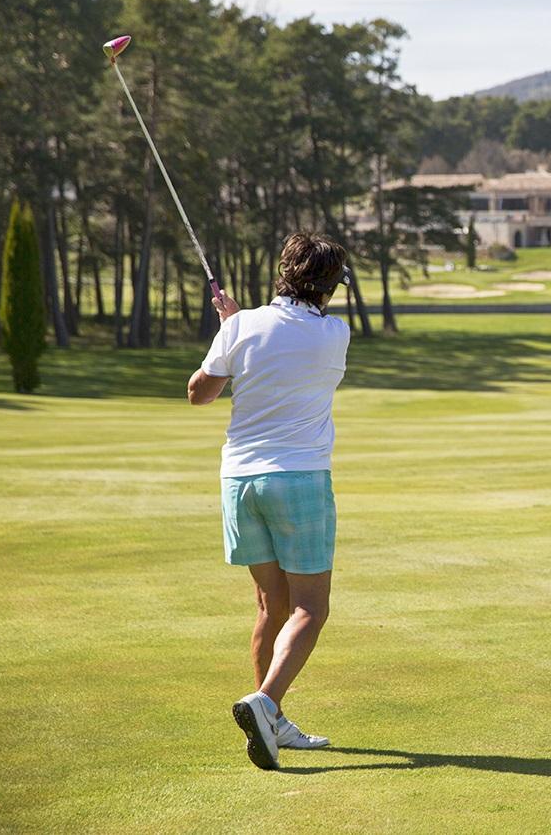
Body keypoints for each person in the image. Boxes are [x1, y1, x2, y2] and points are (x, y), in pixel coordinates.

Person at [187, 232, 351, 770]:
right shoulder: (335, 334)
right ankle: (266, 703)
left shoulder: (240, 326)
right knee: (310, 607)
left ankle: (268, 727)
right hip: (298, 479)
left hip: (239, 481)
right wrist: (234, 328)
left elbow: (200, 392)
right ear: (328, 287)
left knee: (270, 607)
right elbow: (283, 343)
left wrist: (229, 330)